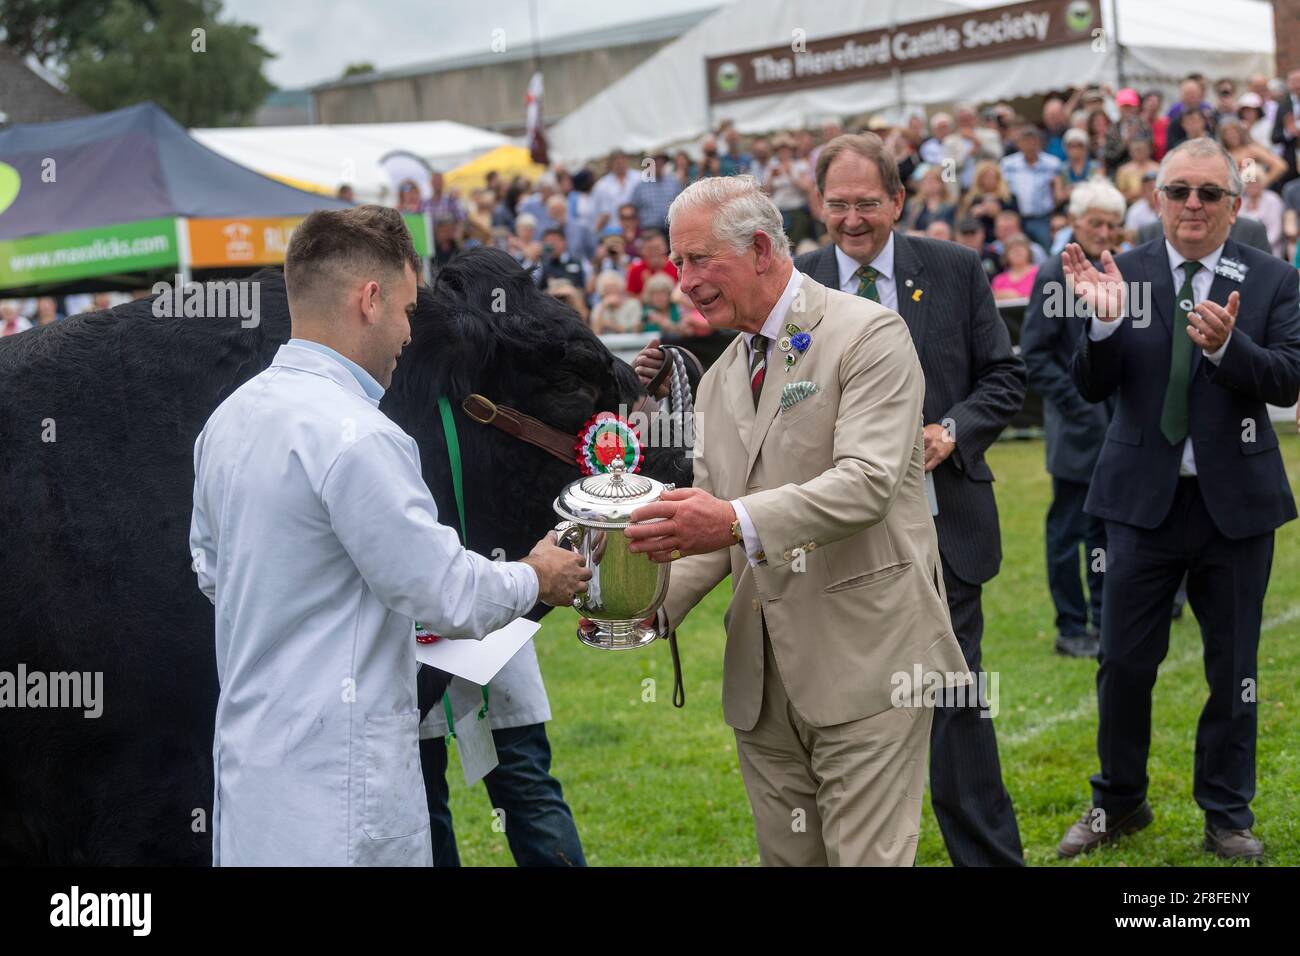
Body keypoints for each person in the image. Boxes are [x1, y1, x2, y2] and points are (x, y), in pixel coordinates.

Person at [188, 205, 589, 866]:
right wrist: (536, 575)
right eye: (407, 311)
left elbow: (210, 569)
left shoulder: (229, 420)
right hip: (343, 787)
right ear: (370, 301)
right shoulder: (360, 435)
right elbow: (444, 594)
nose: (410, 334)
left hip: (255, 769)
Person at [626, 174, 970, 867]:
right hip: (762, 683)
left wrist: (727, 522)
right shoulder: (723, 374)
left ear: (759, 248)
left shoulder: (869, 333)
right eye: (677, 263)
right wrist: (644, 606)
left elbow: (867, 483)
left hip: (867, 665)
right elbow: (709, 523)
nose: (683, 281)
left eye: (698, 260)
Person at [1058, 138, 1300, 861]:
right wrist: (1101, 323)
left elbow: (1287, 379)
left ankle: (1226, 814)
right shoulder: (1118, 273)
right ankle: (1119, 803)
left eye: (1208, 193)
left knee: (1234, 670)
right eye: (1178, 191)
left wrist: (1230, 351)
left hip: (1236, 506)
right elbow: (1090, 384)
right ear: (1156, 199)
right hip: (1140, 504)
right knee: (1123, 664)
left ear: (1233, 204)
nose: (1192, 204)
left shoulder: (1272, 279)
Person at [789, 134, 1027, 867]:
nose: (853, 219)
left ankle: (986, 858)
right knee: (851, 706)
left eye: (868, 203)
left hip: (941, 525)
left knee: (954, 700)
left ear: (897, 200)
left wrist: (951, 432)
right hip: (843, 537)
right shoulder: (798, 286)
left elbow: (1005, 379)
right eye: (839, 204)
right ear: (818, 204)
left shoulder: (954, 269)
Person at [1020, 180, 1125, 658]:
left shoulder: (1122, 271)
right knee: (1068, 531)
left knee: (1106, 531)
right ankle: (1070, 625)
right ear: (1076, 222)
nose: (1105, 231)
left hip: (1118, 426)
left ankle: (1105, 619)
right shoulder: (1053, 274)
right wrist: (1080, 405)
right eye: (1096, 223)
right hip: (1077, 430)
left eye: (1113, 224)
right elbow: (1036, 355)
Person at [1000, 126, 1061, 251]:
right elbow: (1003, 189)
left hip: (1042, 218)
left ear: (1039, 143)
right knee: (1016, 251)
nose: (1029, 145)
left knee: (1047, 249)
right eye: (1025, 141)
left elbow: (1057, 191)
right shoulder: (1008, 164)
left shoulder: (1052, 163)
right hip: (1017, 217)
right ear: (1019, 143)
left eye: (1033, 141)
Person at [630, 153, 683, 234]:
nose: (658, 165)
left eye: (661, 162)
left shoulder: (674, 182)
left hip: (672, 229)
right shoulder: (640, 186)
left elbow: (681, 205)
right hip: (649, 230)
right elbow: (633, 210)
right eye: (654, 162)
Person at [591, 150, 638, 233]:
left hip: (636, 230)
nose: (620, 164)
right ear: (611, 164)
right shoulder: (602, 185)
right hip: (612, 230)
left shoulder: (639, 178)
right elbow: (596, 210)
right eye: (617, 162)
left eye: (622, 160)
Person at [588, 269, 643, 334]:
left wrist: (609, 325)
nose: (610, 290)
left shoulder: (633, 304)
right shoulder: (599, 307)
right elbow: (596, 333)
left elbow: (634, 330)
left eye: (613, 287)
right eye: (607, 288)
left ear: (620, 288)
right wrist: (603, 307)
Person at [625, 230, 678, 296]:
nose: (654, 253)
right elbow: (631, 298)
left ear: (666, 248)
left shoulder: (676, 266)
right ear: (641, 251)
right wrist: (647, 287)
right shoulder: (635, 270)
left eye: (657, 248)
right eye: (649, 249)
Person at [990, 233, 1038, 300]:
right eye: (1011, 248)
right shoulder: (998, 280)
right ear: (1006, 255)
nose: (1017, 251)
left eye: (1021, 247)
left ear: (1029, 251)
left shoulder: (1039, 274)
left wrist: (1019, 297)